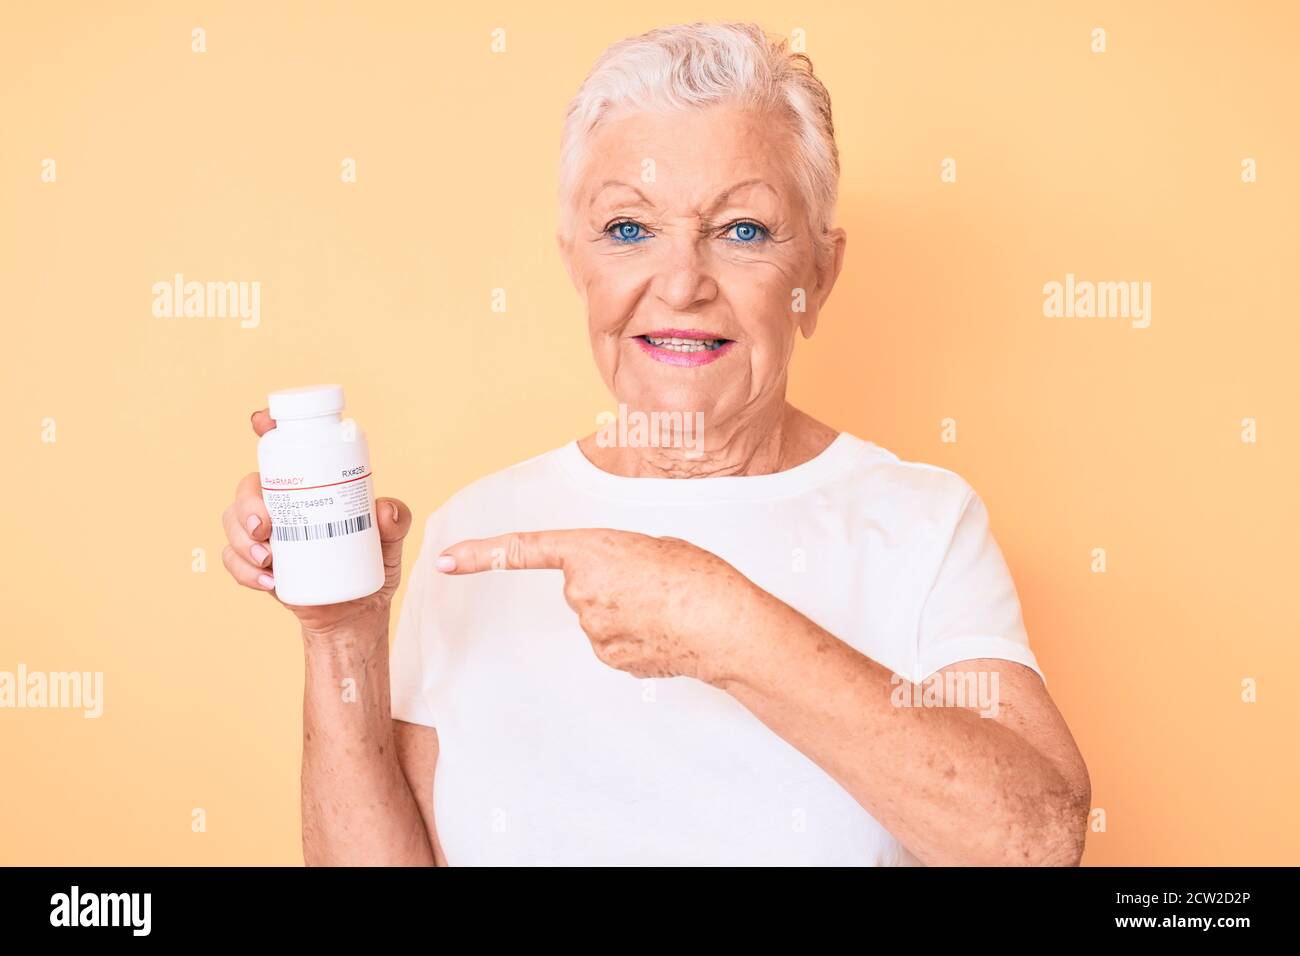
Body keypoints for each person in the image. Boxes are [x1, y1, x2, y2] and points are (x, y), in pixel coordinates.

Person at [221, 21, 1090, 866]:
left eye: (742, 230)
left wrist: (727, 624)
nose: (680, 284)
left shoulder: (922, 524)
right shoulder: (475, 533)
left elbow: (1035, 844)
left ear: (818, 276)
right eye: (629, 230)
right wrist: (343, 633)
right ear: (576, 262)